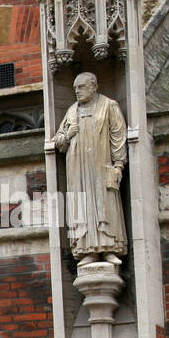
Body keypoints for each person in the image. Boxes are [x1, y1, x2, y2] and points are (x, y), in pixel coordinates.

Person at [53, 72, 128, 268]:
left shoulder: (109, 105)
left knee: (105, 203)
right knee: (82, 207)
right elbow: (58, 142)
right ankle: (87, 251)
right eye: (75, 88)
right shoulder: (71, 111)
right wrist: (67, 135)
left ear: (93, 87)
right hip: (77, 169)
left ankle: (109, 249)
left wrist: (119, 165)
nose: (77, 91)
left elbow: (118, 136)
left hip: (102, 164)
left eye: (81, 87)